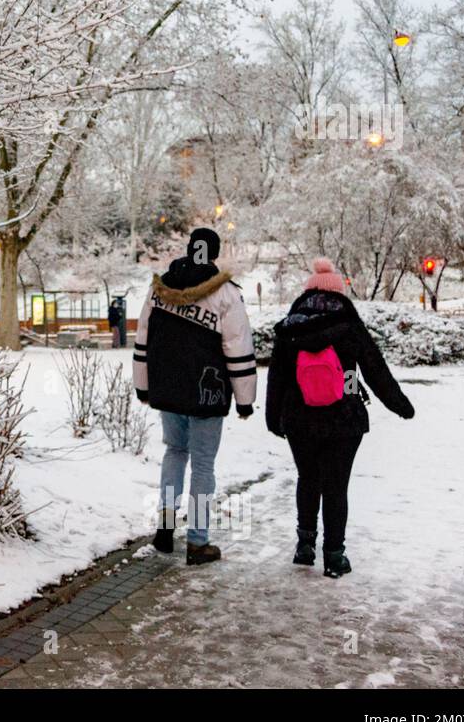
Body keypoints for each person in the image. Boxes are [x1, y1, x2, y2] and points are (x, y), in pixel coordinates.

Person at [265, 257, 415, 578]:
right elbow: (375, 368)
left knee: (308, 479)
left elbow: (277, 374)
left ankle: (304, 547)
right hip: (343, 418)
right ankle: (334, 556)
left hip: (299, 416)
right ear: (339, 292)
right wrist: (400, 404)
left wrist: (272, 416)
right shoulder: (349, 323)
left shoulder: (291, 326)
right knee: (336, 486)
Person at [134, 228, 256, 565]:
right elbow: (238, 346)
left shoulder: (160, 289)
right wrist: (245, 399)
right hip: (207, 391)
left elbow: (144, 336)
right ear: (214, 254)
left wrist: (142, 385)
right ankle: (198, 542)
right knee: (203, 464)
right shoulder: (226, 294)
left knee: (174, 451)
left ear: (189, 249)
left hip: (167, 389)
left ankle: (165, 527)